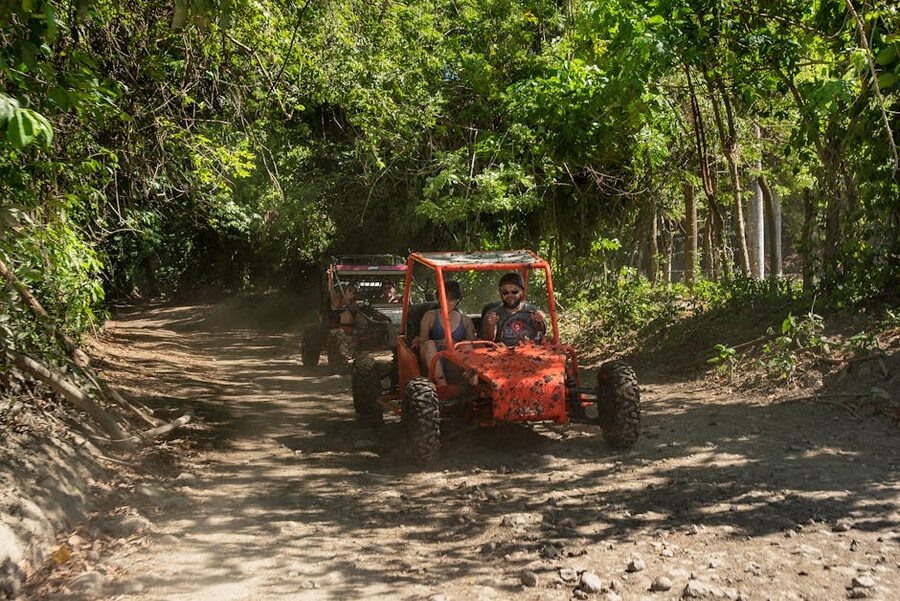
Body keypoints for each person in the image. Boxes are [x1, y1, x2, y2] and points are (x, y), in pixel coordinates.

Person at [411, 280, 476, 385]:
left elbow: (473, 344)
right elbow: (423, 342)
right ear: (439, 298)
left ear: (457, 300)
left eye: (451, 299)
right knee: (429, 344)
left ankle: (473, 385)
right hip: (431, 358)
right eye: (444, 298)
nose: (447, 302)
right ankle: (443, 387)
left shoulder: (465, 320)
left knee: (467, 345)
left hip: (453, 361)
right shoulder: (430, 316)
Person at [481, 272, 546, 346]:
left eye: (514, 292)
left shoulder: (532, 311)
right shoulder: (493, 314)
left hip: (531, 351)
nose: (510, 295)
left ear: (521, 292)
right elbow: (488, 341)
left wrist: (539, 320)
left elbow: (542, 331)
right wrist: (491, 325)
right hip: (503, 353)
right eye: (505, 292)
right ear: (500, 293)